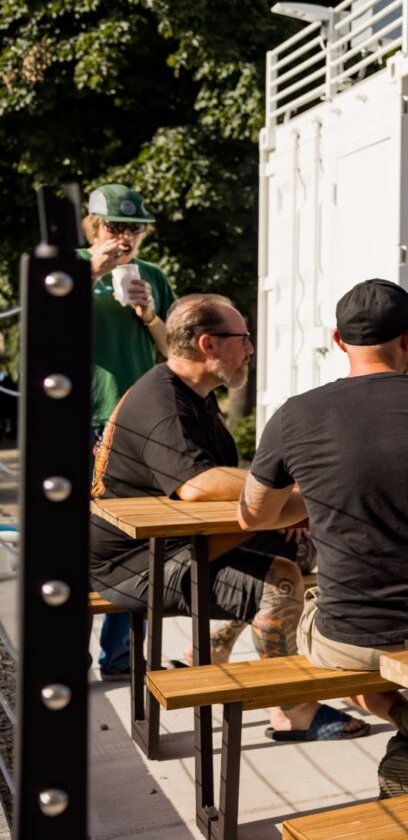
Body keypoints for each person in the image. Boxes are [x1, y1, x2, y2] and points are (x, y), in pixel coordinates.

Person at [239, 278, 408, 798]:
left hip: (351, 638)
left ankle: (406, 721)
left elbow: (253, 515)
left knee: (339, 643)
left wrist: (324, 495)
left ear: (339, 341)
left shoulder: (294, 415)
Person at [89, 294, 365, 740]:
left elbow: (219, 486)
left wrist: (285, 507)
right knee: (280, 583)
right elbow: (198, 485)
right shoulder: (164, 402)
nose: (251, 349)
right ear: (208, 345)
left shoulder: (193, 395)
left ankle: (209, 649)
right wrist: (303, 487)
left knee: (299, 547)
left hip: (180, 541)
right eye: (244, 338)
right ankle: (291, 710)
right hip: (134, 561)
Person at [80, 183, 175, 681]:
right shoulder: (66, 265)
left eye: (136, 228)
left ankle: (119, 655)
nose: (127, 237)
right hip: (83, 417)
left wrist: (149, 315)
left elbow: (173, 350)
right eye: (117, 226)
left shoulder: (151, 275)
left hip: (134, 421)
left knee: (132, 539)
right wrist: (93, 270)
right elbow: (45, 327)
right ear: (94, 224)